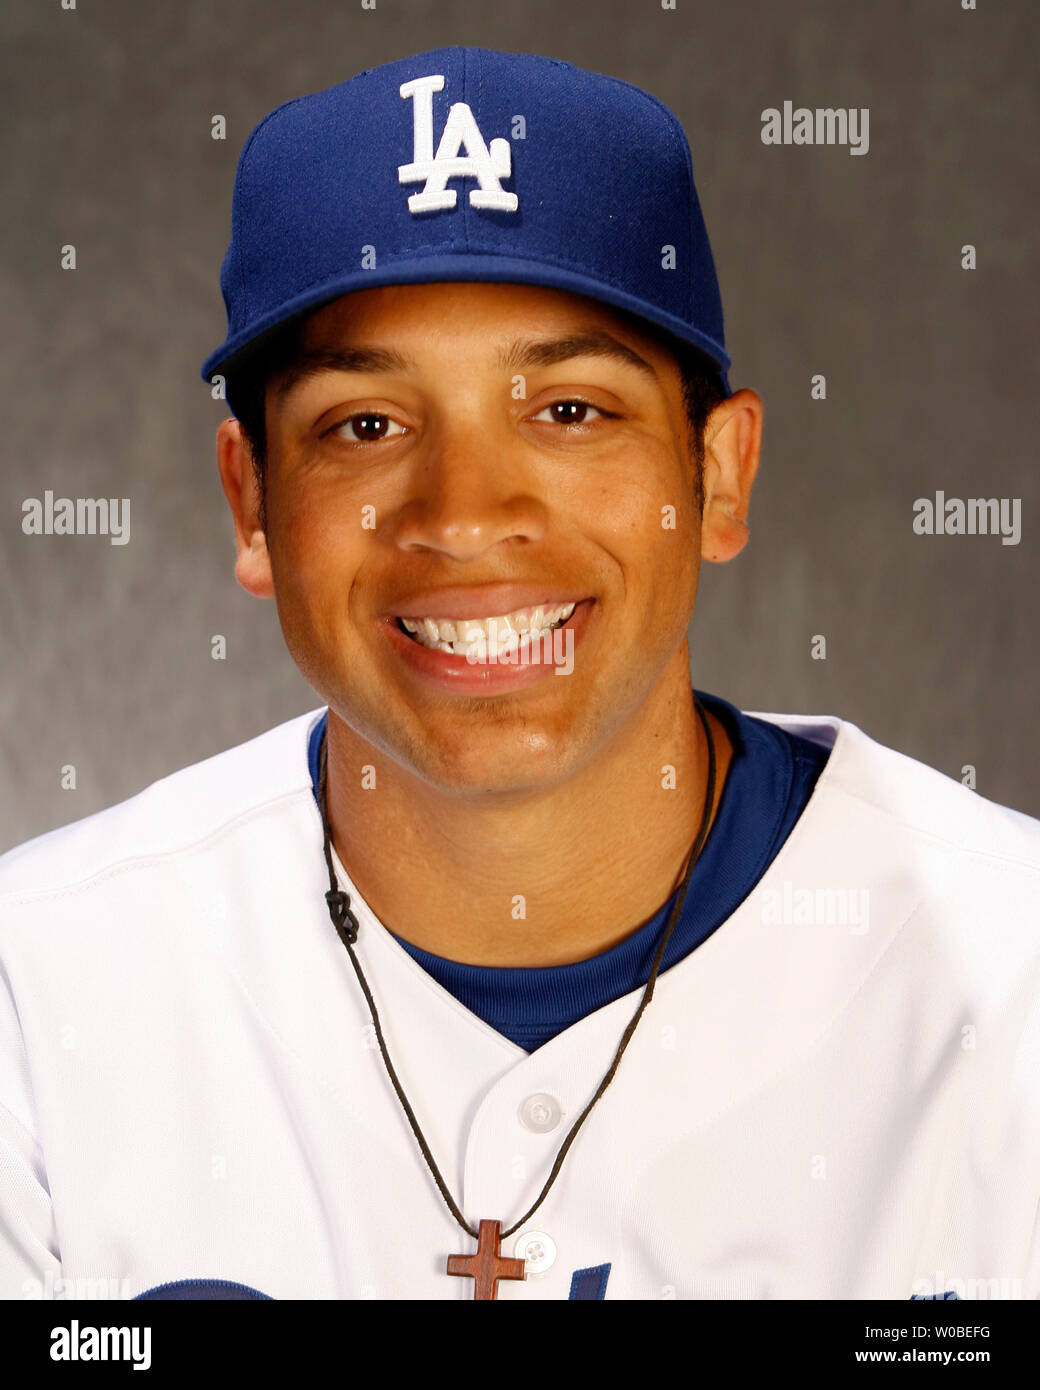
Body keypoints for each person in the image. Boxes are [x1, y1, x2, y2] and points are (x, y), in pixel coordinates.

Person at [1, 46, 1036, 1303]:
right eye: (364, 427)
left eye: (567, 410)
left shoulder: (1007, 970)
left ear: (716, 473)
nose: (465, 515)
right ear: (252, 502)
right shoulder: (38, 992)